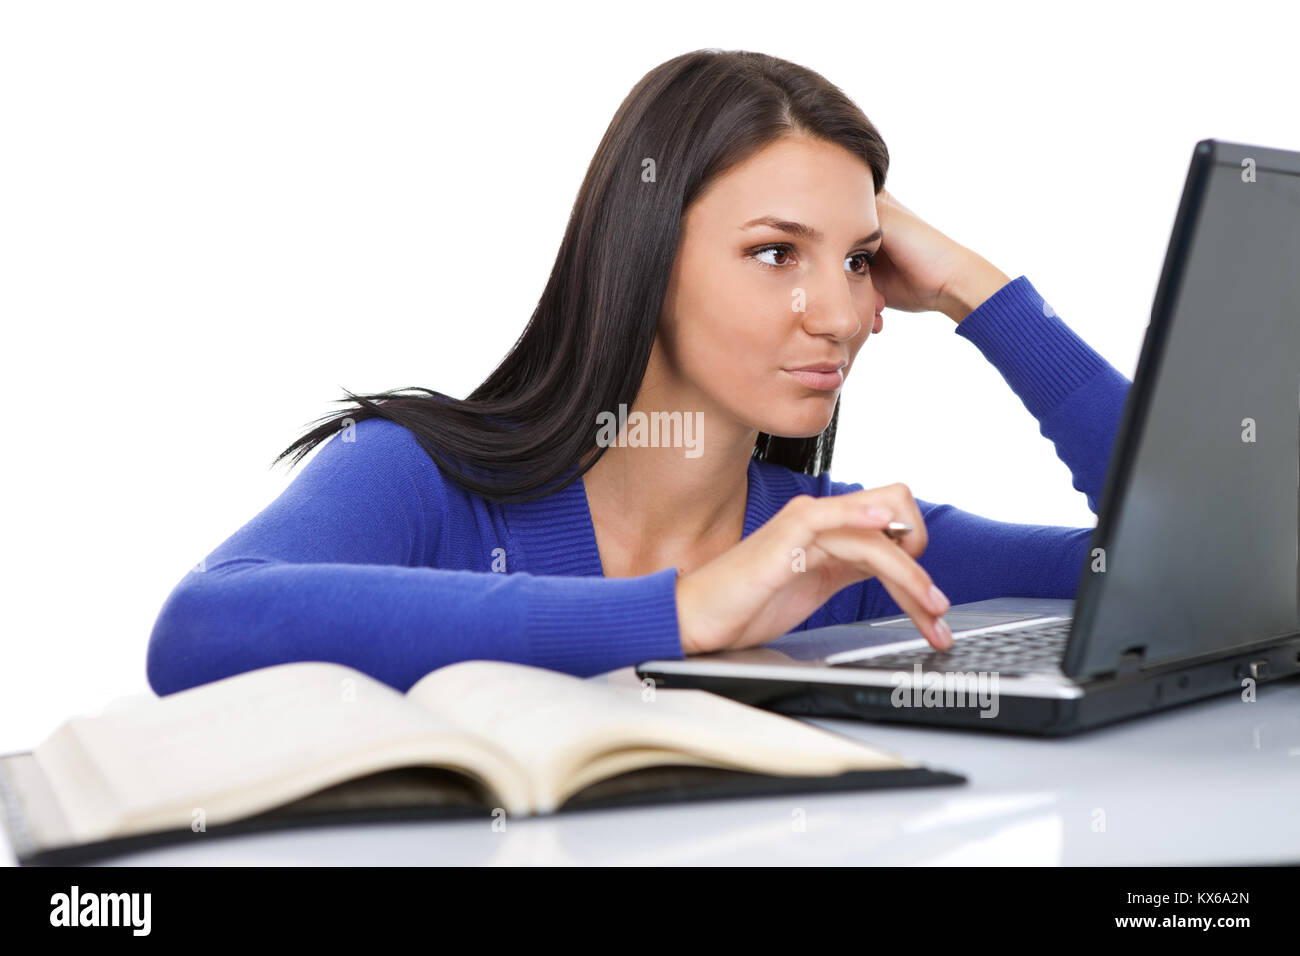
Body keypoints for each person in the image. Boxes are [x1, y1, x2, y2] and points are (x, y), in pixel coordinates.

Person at [146, 49, 1130, 696]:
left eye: (858, 259)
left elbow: (1187, 567)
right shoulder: (421, 478)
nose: (838, 315)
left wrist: (978, 291)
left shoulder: (844, 552)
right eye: (774, 251)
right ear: (646, 259)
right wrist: (686, 608)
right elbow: (198, 630)